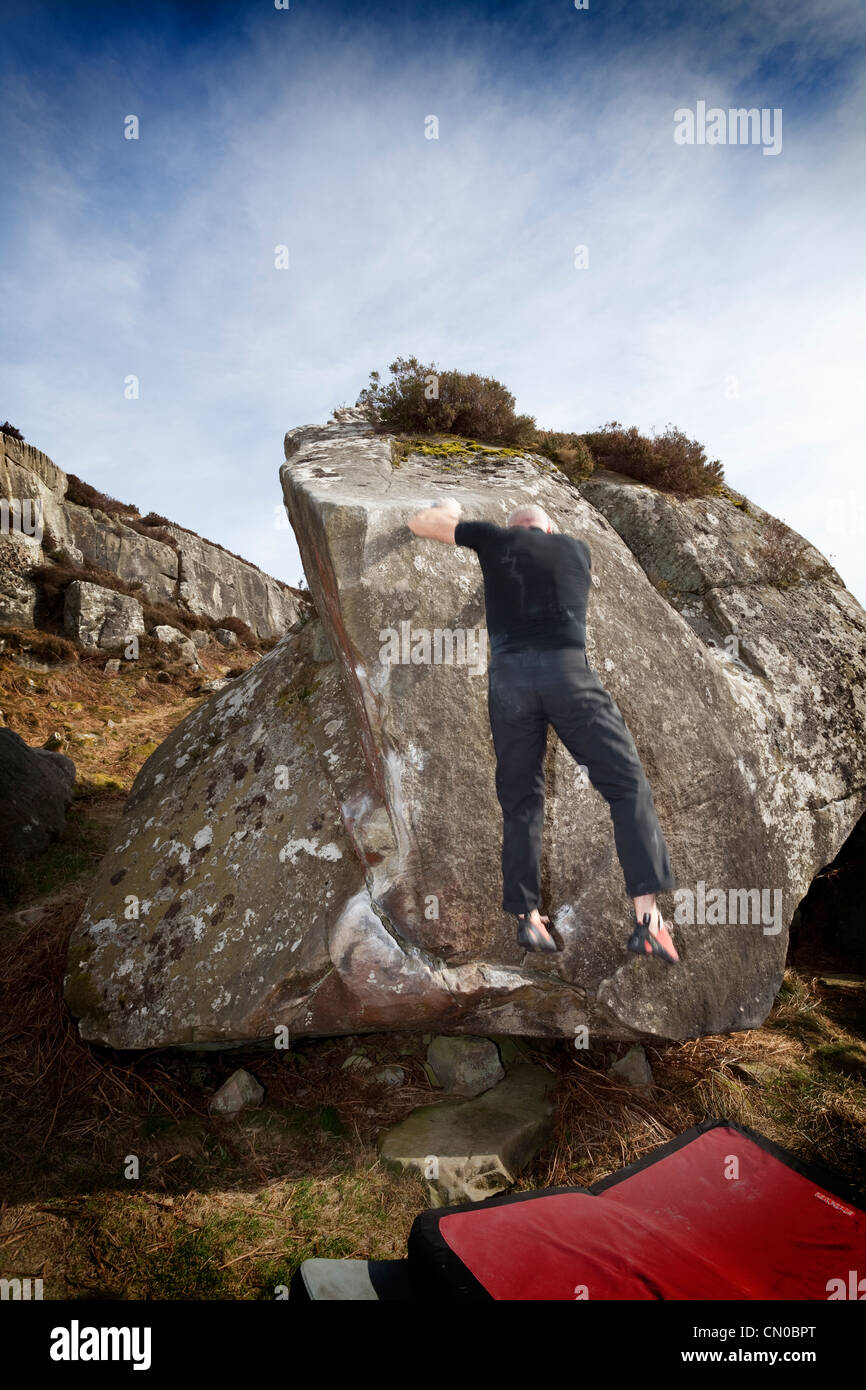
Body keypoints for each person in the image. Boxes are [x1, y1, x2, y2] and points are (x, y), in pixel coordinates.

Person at [407, 496, 679, 962]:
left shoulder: (492, 539)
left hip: (510, 680)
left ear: (512, 529)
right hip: (569, 675)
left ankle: (528, 916)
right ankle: (648, 921)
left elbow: (421, 523)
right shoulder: (577, 550)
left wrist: (449, 506)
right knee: (627, 786)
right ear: (549, 531)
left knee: (521, 800)